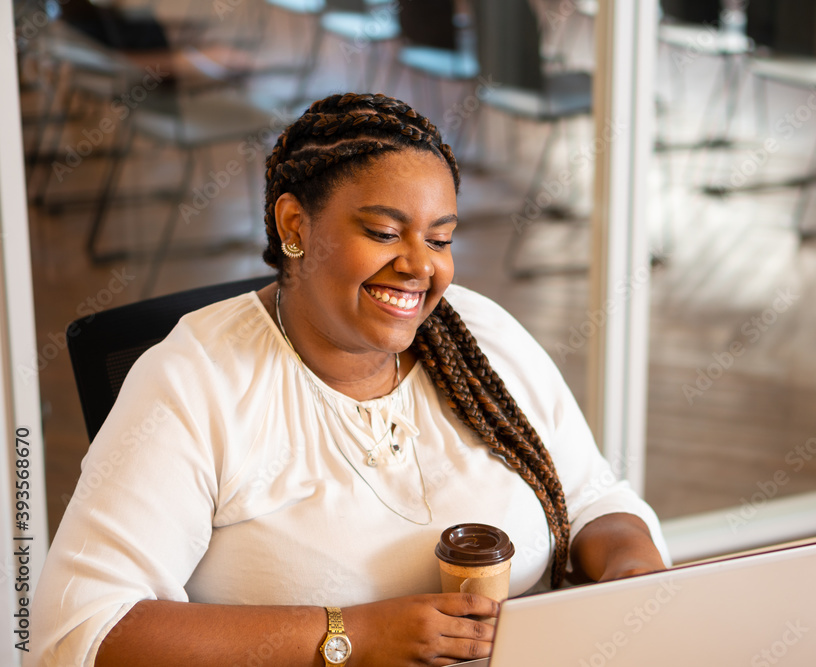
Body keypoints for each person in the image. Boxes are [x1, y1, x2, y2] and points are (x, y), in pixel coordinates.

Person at [29, 92, 669, 667]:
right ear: (294, 226)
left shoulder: (479, 333)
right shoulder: (195, 380)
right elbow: (83, 628)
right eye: (385, 232)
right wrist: (352, 636)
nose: (421, 267)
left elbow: (590, 498)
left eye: (440, 239)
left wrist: (633, 571)